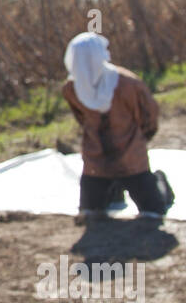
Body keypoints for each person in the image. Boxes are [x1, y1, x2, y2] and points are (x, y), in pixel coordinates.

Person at [61, 31, 174, 225]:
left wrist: (137, 140)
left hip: (131, 159)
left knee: (154, 211)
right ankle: (114, 190)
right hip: (96, 161)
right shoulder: (71, 88)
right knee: (89, 213)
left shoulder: (127, 83)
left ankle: (158, 181)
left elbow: (148, 116)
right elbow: (83, 119)